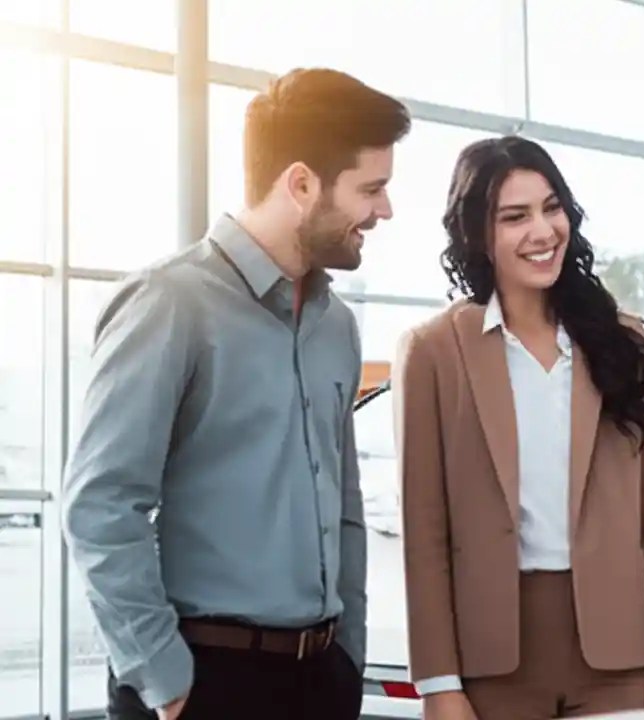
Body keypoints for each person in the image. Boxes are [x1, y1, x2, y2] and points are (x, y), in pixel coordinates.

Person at [62, 68, 411, 720]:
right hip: (203, 684)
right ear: (301, 184)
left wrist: (348, 656)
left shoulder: (336, 326)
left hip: (320, 681)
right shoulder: (169, 302)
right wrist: (166, 683)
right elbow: (100, 505)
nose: (384, 210)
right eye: (371, 189)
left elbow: (345, 510)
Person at [393, 135, 644, 719]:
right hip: (491, 663)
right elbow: (424, 529)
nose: (542, 231)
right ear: (478, 234)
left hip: (620, 658)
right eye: (515, 217)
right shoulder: (433, 352)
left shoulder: (625, 344)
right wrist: (438, 683)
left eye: (551, 208)